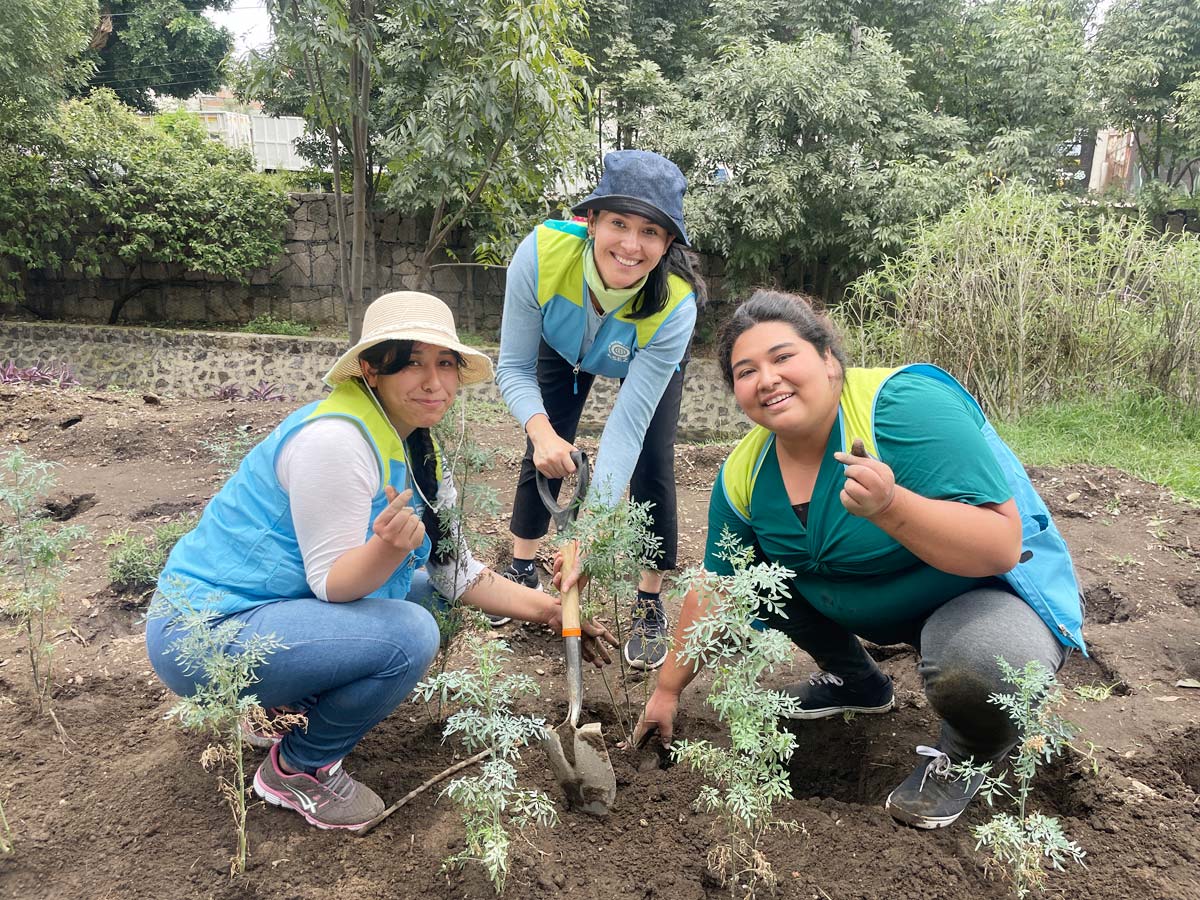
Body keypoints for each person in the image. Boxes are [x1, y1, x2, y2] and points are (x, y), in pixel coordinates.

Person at [146, 291, 615, 833]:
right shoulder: (336, 441)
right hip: (201, 635)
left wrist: (552, 610)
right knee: (410, 633)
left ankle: (281, 711)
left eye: (445, 364)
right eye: (411, 362)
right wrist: (386, 550)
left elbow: (455, 574)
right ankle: (298, 768)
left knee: (426, 595)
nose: (434, 381)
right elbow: (334, 585)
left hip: (263, 619)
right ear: (372, 368)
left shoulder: (416, 446)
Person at [631, 290, 1085, 829]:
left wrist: (891, 506)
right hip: (861, 604)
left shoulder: (900, 407)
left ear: (827, 359)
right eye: (746, 371)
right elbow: (719, 586)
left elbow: (1000, 545)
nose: (767, 379)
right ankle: (860, 685)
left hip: (983, 596)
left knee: (980, 668)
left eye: (782, 357)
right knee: (764, 579)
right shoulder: (744, 473)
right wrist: (666, 692)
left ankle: (968, 752)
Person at [495, 149, 706, 671]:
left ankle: (650, 600)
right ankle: (523, 569)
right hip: (563, 350)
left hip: (643, 358)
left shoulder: (675, 304)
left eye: (651, 232)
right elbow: (512, 367)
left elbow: (625, 430)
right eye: (618, 223)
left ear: (668, 242)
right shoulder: (542, 254)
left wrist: (590, 536)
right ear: (590, 221)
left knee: (652, 465)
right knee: (544, 445)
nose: (631, 245)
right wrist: (542, 431)